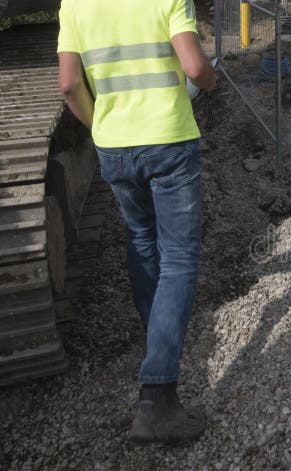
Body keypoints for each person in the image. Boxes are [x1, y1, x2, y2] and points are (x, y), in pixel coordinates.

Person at [57, 0, 217, 444]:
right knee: (180, 260)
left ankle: (157, 337)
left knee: (142, 239)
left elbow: (69, 84)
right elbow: (195, 66)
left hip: (115, 146)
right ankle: (157, 397)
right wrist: (210, 79)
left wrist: (101, 128)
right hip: (168, 139)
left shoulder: (73, 5)